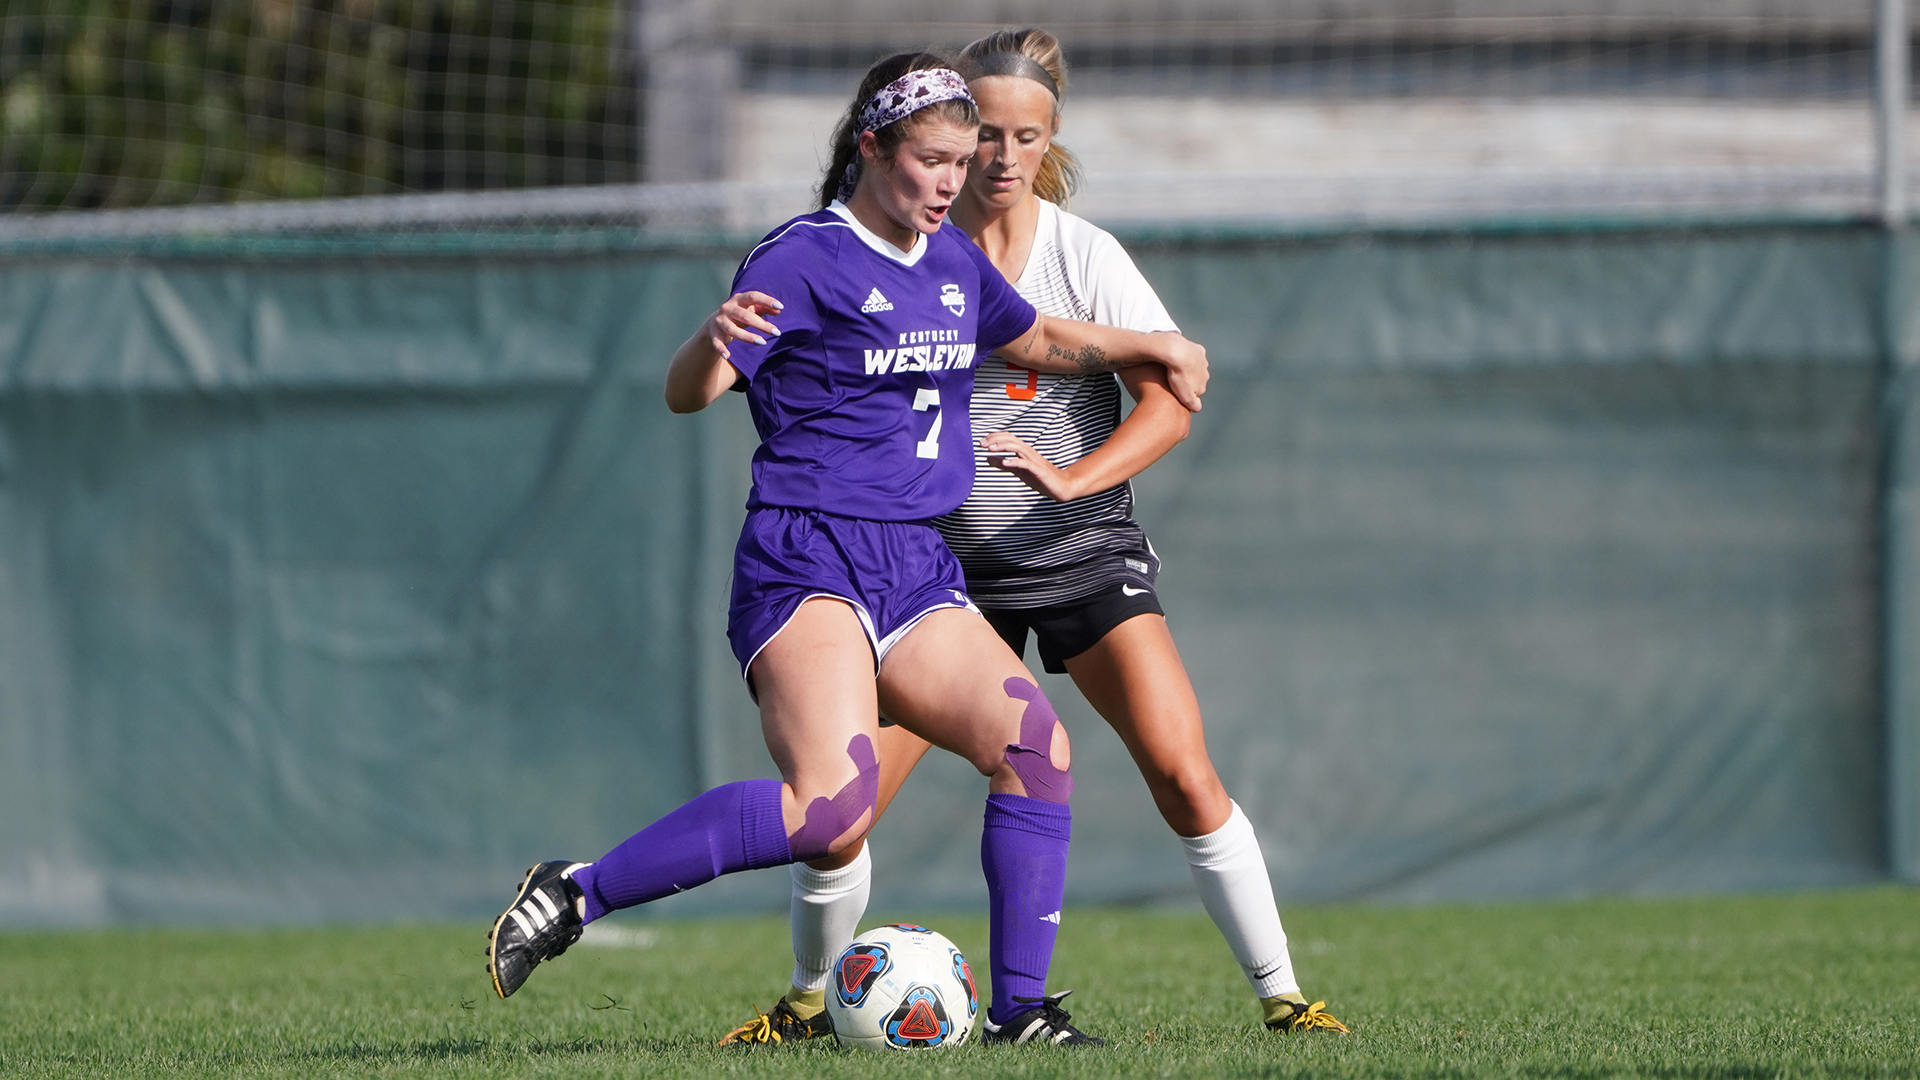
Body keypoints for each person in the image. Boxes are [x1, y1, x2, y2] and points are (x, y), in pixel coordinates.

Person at [484, 51, 1212, 1049]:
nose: (951, 181)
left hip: (916, 562)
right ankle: (575, 892)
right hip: (807, 559)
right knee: (830, 812)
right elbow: (687, 393)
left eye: (962, 161)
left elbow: (1034, 338)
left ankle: (1023, 1015)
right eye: (931, 159)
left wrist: (1150, 346)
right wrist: (708, 341)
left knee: (1036, 752)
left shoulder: (953, 259)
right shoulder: (799, 258)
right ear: (872, 149)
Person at [722, 29, 1347, 1045]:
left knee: (1184, 772)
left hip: (1079, 559)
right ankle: (803, 1003)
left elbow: (1171, 395)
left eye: (1025, 137)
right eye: (983, 138)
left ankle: (1284, 998)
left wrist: (1074, 476)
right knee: (843, 804)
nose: (1001, 158)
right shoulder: (901, 241)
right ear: (942, 134)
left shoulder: (1082, 255)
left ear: (1047, 141)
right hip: (936, 573)